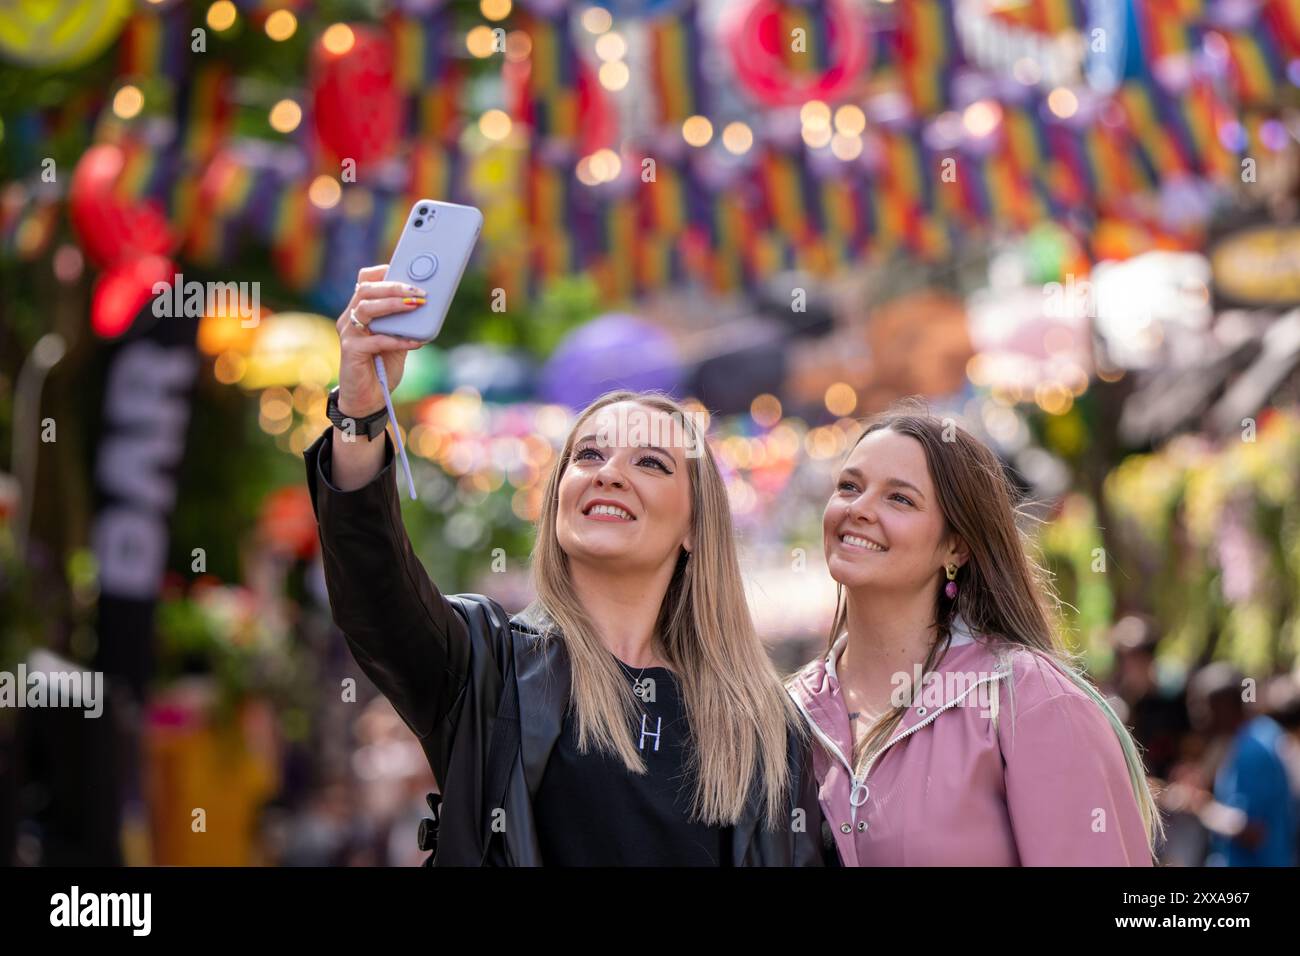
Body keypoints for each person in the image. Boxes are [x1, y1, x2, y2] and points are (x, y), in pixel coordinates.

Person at [304, 265, 827, 866]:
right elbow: (373, 590)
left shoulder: (765, 727)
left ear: (694, 527)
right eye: (590, 455)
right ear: (557, 497)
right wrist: (361, 412)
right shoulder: (488, 665)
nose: (609, 472)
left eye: (651, 463)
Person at [787, 403, 1161, 865]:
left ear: (956, 545)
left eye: (899, 498)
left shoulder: (1032, 702)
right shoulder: (785, 714)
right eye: (849, 486)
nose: (859, 509)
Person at [1168, 663, 1297, 867]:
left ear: (1224, 705)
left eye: (1201, 705)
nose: (1195, 716)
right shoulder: (1258, 735)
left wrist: (1199, 807)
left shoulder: (1253, 751)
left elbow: (1252, 830)